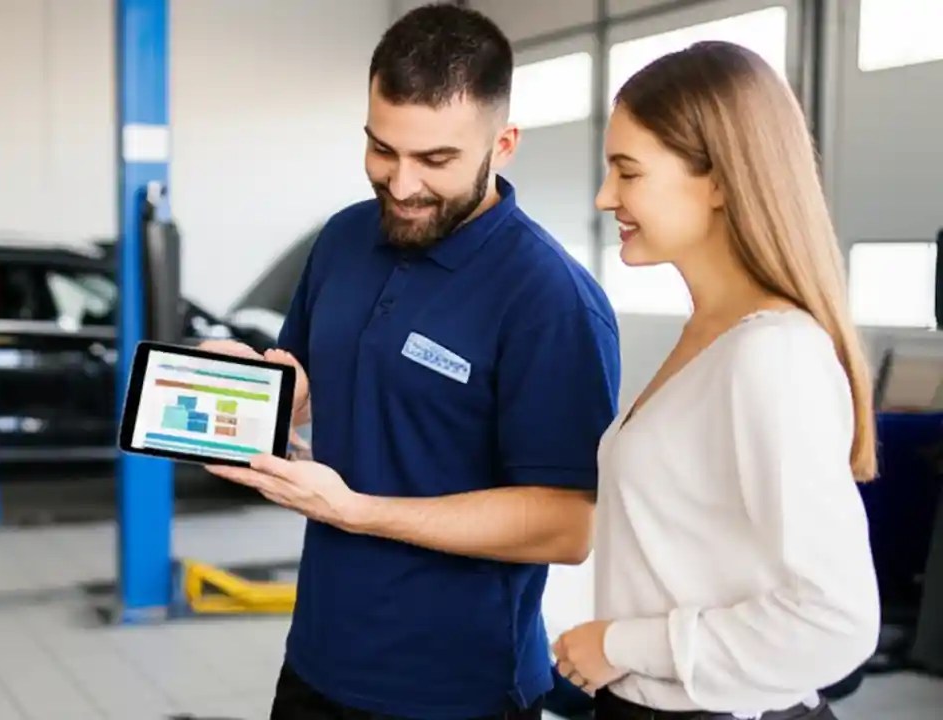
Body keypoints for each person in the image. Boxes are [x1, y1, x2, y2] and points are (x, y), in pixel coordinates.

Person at [202, 4, 620, 719]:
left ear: (505, 144)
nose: (400, 185)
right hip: (316, 662)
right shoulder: (341, 240)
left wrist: (361, 514)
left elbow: (567, 526)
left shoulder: (548, 298)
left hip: (458, 691)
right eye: (381, 150)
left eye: (436, 161)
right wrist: (266, 388)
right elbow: (310, 374)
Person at [552, 41, 881, 720]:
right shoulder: (710, 337)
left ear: (721, 181)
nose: (604, 196)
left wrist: (623, 643)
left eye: (627, 171)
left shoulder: (772, 356)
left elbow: (836, 620)